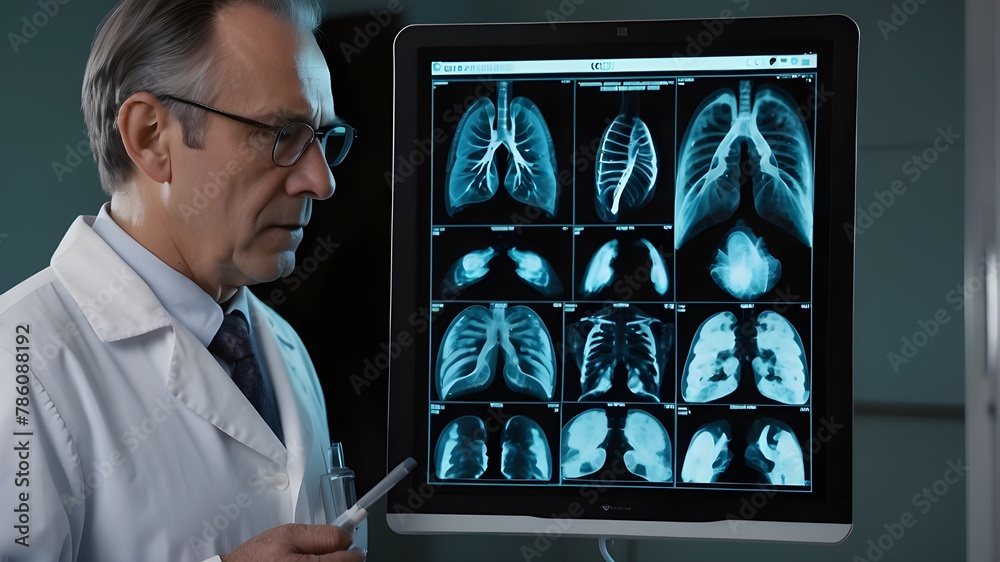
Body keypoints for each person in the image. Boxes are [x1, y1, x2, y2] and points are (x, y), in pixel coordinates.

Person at [0, 0, 364, 560]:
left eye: (322, 138)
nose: (321, 181)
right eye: (283, 134)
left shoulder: (284, 349)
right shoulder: (18, 363)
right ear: (150, 137)